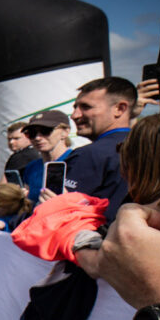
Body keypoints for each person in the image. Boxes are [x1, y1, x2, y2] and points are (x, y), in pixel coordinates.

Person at [64, 76, 137, 218]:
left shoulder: (89, 154)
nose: (74, 115)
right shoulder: (152, 147)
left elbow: (60, 213)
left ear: (119, 109)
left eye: (86, 107)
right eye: (75, 108)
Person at [19, 110, 73, 204]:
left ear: (65, 132)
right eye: (31, 133)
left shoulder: (77, 161)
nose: (37, 138)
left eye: (45, 131)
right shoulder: (32, 167)